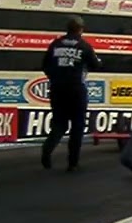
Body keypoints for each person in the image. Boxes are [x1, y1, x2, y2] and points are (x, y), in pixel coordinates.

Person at [40, 16, 102, 172]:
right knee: (77, 126)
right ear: (81, 30)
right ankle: (72, 163)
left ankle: (47, 149)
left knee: (59, 124)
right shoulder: (84, 46)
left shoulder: (55, 44)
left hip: (57, 89)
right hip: (76, 89)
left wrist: (56, 78)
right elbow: (96, 65)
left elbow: (45, 66)